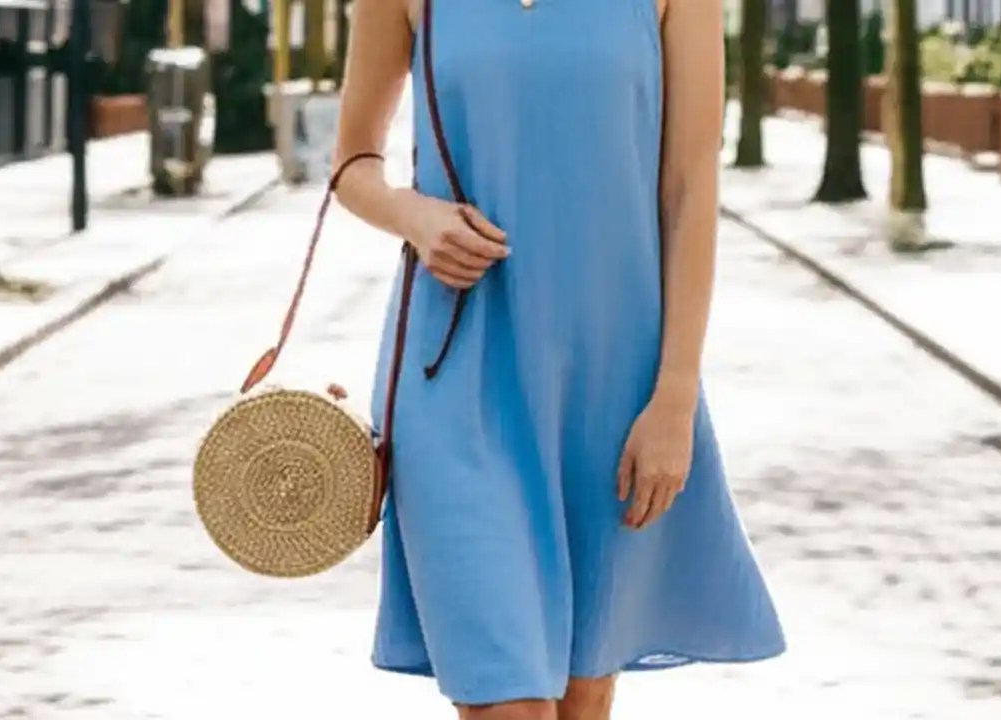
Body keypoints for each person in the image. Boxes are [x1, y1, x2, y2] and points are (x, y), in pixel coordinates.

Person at [332, 0, 785, 718]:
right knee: (506, 701)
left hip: (613, 385)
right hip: (454, 377)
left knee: (582, 699)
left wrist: (674, 398)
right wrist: (418, 218)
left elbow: (691, 188)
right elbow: (352, 162)